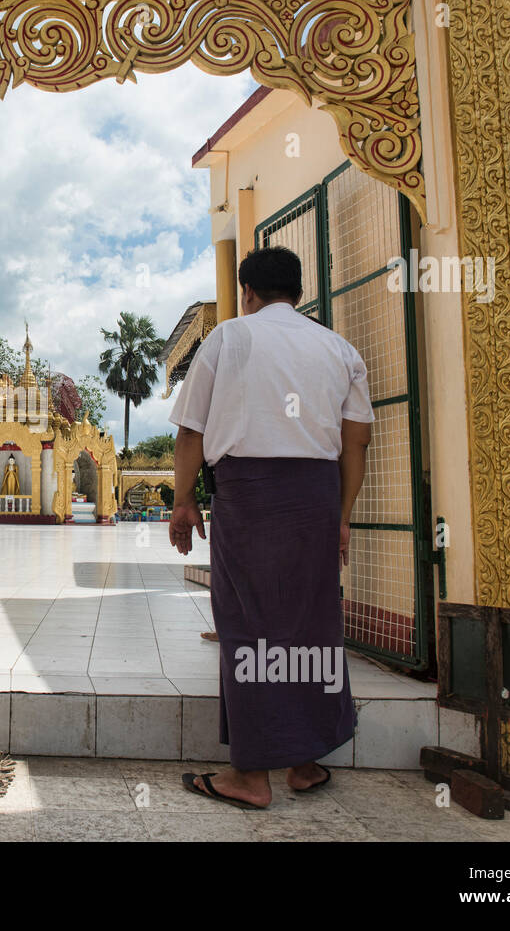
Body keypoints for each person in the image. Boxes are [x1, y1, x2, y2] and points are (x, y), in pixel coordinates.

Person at [167, 246, 373, 809]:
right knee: (310, 622)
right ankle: (304, 762)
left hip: (249, 494)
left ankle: (250, 776)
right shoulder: (339, 349)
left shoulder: (228, 339)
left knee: (250, 623)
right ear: (299, 293)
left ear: (248, 293)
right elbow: (356, 441)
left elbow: (191, 432)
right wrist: (343, 515)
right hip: (316, 496)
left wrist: (184, 501)